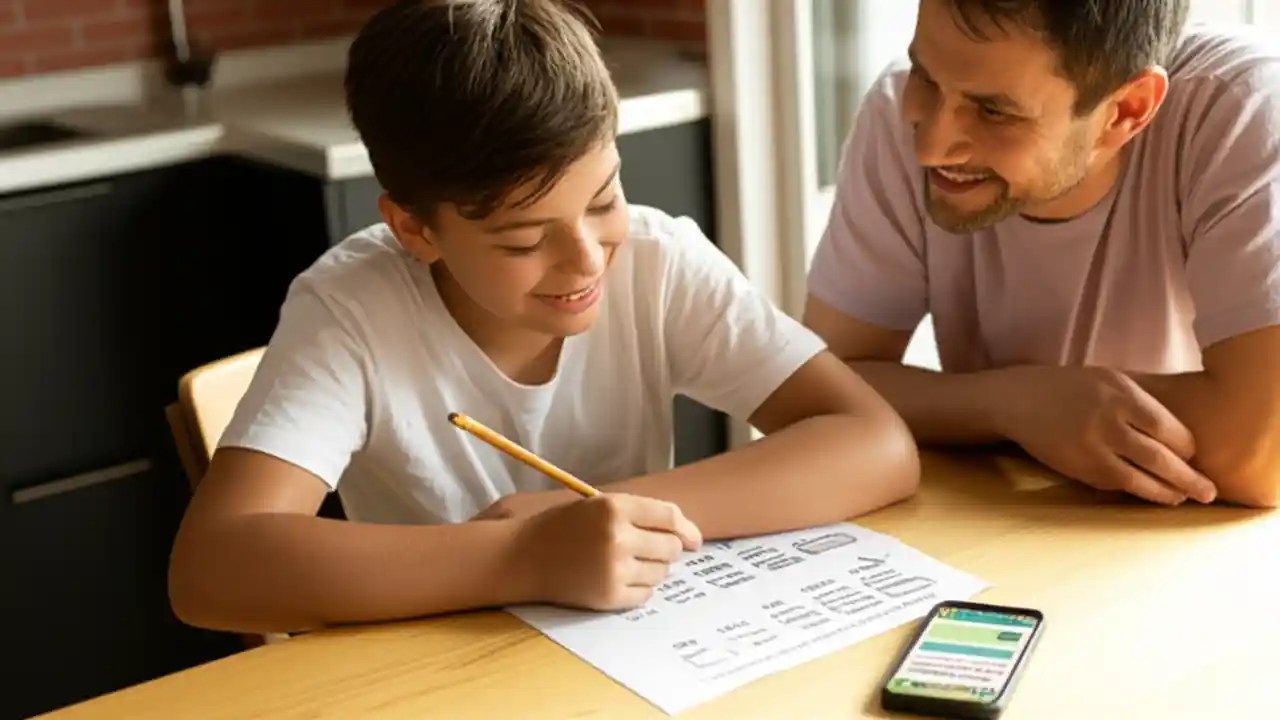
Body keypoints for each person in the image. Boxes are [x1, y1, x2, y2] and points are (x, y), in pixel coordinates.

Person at [168, 0, 919, 636]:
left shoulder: (656, 261)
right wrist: (523, 555)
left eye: (604, 200)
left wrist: (602, 518)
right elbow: (213, 571)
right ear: (416, 230)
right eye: (524, 241)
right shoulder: (351, 310)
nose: (587, 260)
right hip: (438, 670)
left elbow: (876, 444)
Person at [805, 0, 1280, 509]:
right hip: (999, 519)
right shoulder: (898, 111)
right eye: (924, 76)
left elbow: (1262, 455)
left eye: (994, 111)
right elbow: (814, 393)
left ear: (1126, 111)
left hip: (1188, 537)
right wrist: (1011, 404)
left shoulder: (1243, 108)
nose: (929, 147)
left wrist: (983, 409)